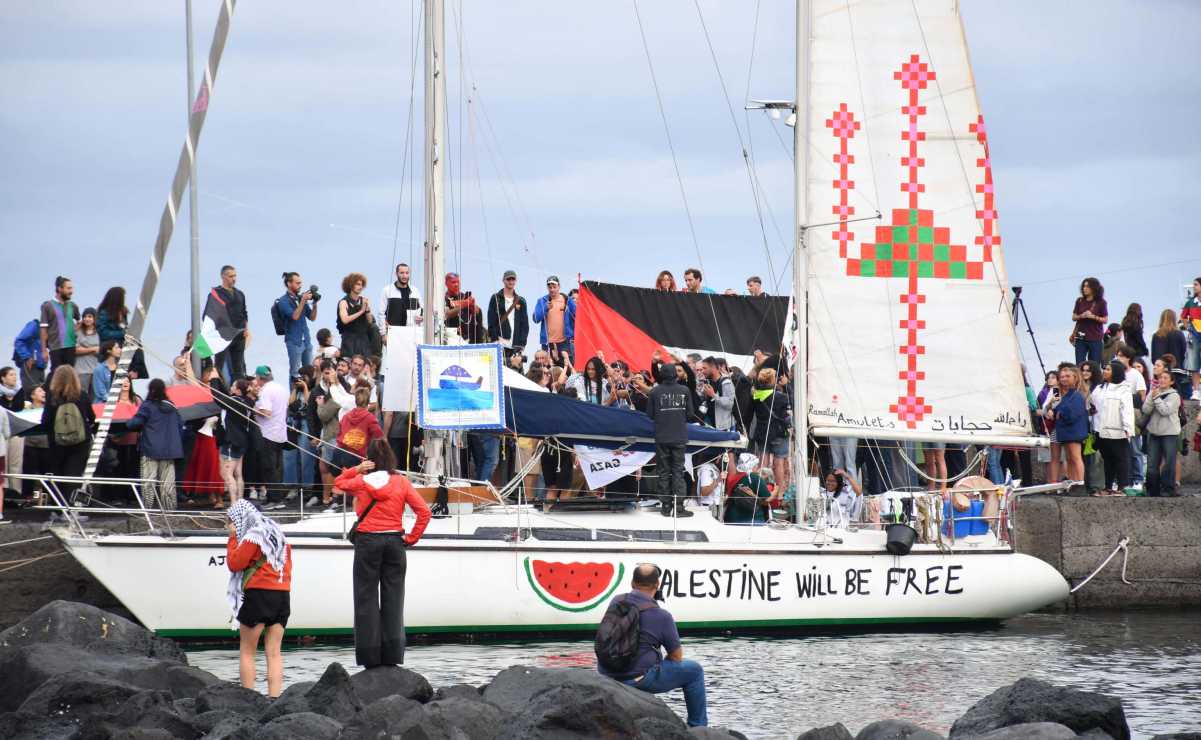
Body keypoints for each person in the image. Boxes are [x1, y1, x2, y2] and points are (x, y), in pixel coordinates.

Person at [334, 439, 431, 667]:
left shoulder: (361, 481)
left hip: (368, 541)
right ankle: (393, 655)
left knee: (365, 598)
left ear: (370, 460)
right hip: (395, 542)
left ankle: (370, 656)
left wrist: (357, 469)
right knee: (394, 597)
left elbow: (339, 482)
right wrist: (411, 538)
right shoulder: (402, 482)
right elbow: (424, 512)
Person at [597, 563, 707, 727]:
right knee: (694, 671)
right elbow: (677, 657)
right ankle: (698, 727)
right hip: (637, 679)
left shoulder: (617, 601)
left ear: (632, 583)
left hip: (606, 673)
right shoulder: (662, 615)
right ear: (658, 585)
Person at [225, 498, 291, 698]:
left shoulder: (253, 535)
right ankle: (274, 698)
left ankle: (248, 698)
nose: (230, 525)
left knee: (247, 651)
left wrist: (233, 538)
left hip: (259, 595)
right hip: (282, 595)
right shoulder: (279, 534)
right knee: (274, 652)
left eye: (231, 521)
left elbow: (235, 563)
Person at [126, 379, 185, 510]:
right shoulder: (172, 406)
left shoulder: (147, 406)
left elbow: (134, 424)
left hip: (150, 450)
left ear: (151, 390)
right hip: (170, 451)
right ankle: (169, 510)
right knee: (167, 483)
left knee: (148, 482)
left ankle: (148, 510)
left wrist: (127, 422)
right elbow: (180, 426)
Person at [647, 363, 694, 518]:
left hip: (662, 437)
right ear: (675, 375)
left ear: (661, 375)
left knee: (663, 472)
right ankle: (679, 508)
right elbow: (690, 415)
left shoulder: (654, 392)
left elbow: (650, 415)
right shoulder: (685, 390)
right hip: (679, 436)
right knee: (678, 472)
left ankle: (666, 507)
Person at [42, 365, 95, 501]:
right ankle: (74, 508)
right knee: (74, 474)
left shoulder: (52, 397)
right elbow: (92, 417)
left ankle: (59, 509)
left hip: (57, 443)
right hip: (80, 442)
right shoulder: (82, 395)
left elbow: (45, 421)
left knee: (58, 474)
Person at [1090, 361, 1134, 495]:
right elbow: (1092, 403)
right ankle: (1108, 486)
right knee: (1107, 459)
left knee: (1120, 458)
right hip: (1100, 429)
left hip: (1117, 429)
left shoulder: (1123, 389)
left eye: (1108, 369)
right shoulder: (1099, 388)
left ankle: (1122, 486)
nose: (1105, 371)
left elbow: (1127, 410)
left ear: (1115, 372)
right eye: (1104, 369)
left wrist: (1128, 428)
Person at [253, 366, 289, 509]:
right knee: (278, 467)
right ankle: (277, 497)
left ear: (260, 378)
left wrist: (254, 410)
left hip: (268, 433)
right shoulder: (281, 388)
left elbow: (267, 412)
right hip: (280, 432)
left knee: (269, 468)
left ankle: (274, 499)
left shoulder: (266, 391)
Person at [750, 368, 791, 493]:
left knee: (763, 463)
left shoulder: (755, 396)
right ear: (773, 380)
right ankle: (779, 493)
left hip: (762, 433)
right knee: (778, 463)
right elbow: (792, 403)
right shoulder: (781, 397)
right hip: (779, 433)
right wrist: (787, 386)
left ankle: (760, 490)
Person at [1142, 366, 1181, 497]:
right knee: (1152, 463)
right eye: (1160, 378)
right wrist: (1152, 398)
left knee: (1169, 462)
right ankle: (1152, 489)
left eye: (1165, 378)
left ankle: (1168, 489)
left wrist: (1157, 398)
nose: (1162, 380)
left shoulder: (1174, 396)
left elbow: (1165, 411)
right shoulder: (1153, 392)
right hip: (1154, 432)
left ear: (1171, 382)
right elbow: (1146, 410)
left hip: (1170, 433)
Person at [275, 272, 319, 380]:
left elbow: (312, 318)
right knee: (295, 372)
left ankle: (307, 394)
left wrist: (314, 303)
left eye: (300, 283)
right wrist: (303, 300)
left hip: (306, 341)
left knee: (309, 371)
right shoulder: (283, 301)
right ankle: (293, 396)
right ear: (289, 284)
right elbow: (294, 316)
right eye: (297, 283)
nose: (300, 285)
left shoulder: (300, 299)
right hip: (294, 341)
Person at [219, 378, 254, 505]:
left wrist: (214, 381)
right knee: (238, 473)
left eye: (233, 386)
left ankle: (234, 504)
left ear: (238, 390)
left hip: (232, 441)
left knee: (227, 474)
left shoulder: (234, 401)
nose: (231, 387)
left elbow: (218, 399)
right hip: (243, 440)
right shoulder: (248, 401)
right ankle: (240, 502)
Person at [212, 266, 251, 383]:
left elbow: (244, 313)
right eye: (230, 276)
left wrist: (246, 329)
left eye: (235, 276)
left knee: (238, 367)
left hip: (239, 335)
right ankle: (218, 390)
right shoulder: (216, 293)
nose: (233, 279)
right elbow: (209, 315)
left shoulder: (240, 294)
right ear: (223, 277)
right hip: (223, 335)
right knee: (219, 365)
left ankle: (239, 391)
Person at [1050, 365, 1088, 483]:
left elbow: (1074, 411)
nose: (1064, 379)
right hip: (1057, 428)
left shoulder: (1078, 393)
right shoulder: (1056, 391)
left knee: (1074, 457)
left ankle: (1079, 482)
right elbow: (1052, 407)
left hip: (1072, 428)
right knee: (1060, 457)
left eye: (1067, 376)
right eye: (1061, 377)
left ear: (1074, 377)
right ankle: (1055, 483)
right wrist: (1050, 407)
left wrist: (1059, 411)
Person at [337, 386, 383, 472]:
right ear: (368, 401)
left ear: (355, 401)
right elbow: (379, 436)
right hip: (361, 460)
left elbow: (339, 439)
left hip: (345, 457)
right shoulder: (370, 418)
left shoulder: (345, 417)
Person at [533, 276, 576, 367]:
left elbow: (578, 316)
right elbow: (536, 319)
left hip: (564, 342)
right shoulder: (542, 301)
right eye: (549, 287)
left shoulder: (567, 299)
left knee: (567, 368)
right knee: (547, 369)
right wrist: (545, 308)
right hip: (547, 343)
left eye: (554, 286)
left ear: (559, 286)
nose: (552, 289)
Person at [486, 270, 529, 360]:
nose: (510, 281)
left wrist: (522, 343)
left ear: (515, 281)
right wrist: (494, 339)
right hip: (500, 342)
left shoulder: (521, 301)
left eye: (513, 279)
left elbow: (525, 324)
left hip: (515, 344)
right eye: (508, 279)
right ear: (503, 280)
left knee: (515, 372)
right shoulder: (496, 298)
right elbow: (491, 320)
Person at [337, 272, 376, 360]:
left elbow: (370, 321)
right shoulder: (343, 302)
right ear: (351, 285)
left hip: (363, 340)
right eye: (357, 284)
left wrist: (367, 310)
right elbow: (345, 320)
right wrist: (361, 311)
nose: (360, 287)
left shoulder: (363, 300)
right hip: (349, 340)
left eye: (362, 285)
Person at [1070, 277, 1108, 365]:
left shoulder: (1101, 302)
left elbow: (1105, 320)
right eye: (1083, 286)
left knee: (1094, 365)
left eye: (1087, 286)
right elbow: (1073, 317)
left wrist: (1092, 316)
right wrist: (1081, 316)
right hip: (1081, 337)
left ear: (1094, 288)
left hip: (1095, 337)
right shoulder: (1079, 301)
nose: (1084, 288)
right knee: (1079, 364)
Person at [379, 262, 423, 339]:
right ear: (396, 274)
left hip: (412, 333)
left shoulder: (415, 291)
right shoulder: (387, 290)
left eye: (407, 273)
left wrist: (422, 317)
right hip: (393, 333)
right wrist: (383, 334)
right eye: (401, 273)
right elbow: (381, 314)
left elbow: (423, 309)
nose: (404, 276)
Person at [699, 357, 735, 433]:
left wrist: (713, 395)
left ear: (713, 368)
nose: (702, 371)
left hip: (722, 428)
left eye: (704, 368)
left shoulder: (726, 383)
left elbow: (730, 404)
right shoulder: (708, 382)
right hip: (708, 425)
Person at [73, 308, 100, 399]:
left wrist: (84, 348)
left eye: (90, 316)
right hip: (81, 371)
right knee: (80, 397)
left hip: (96, 371)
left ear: (95, 318)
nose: (86, 319)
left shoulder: (99, 334)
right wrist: (93, 349)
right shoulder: (78, 332)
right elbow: (75, 350)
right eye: (84, 316)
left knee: (95, 398)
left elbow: (102, 350)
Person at [12, 317, 47, 390]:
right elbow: (19, 341)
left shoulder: (50, 329)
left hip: (40, 367)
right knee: (32, 392)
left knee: (41, 393)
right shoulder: (35, 325)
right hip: (30, 365)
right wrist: (27, 357)